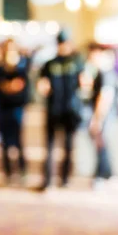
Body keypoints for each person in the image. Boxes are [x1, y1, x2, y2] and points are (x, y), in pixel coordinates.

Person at [37, 30, 84, 191]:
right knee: (50, 147)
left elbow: (85, 84)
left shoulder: (77, 62)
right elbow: (42, 85)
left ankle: (64, 179)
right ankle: (49, 180)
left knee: (68, 146)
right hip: (54, 110)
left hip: (70, 110)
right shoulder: (50, 64)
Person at [0, 39, 30, 185]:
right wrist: (10, 88)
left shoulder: (21, 69)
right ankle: (8, 172)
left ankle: (21, 170)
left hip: (17, 109)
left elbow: (25, 93)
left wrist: (10, 89)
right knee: (5, 143)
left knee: (18, 142)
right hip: (3, 110)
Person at [88, 44, 118, 190]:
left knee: (101, 146)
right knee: (102, 146)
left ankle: (102, 176)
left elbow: (105, 97)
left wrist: (97, 118)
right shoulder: (106, 72)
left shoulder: (105, 73)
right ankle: (108, 175)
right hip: (106, 116)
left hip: (104, 117)